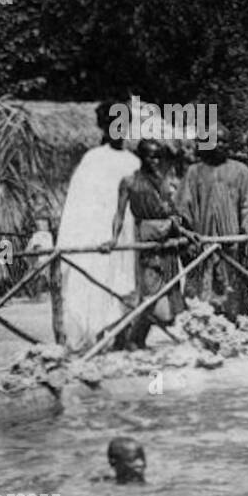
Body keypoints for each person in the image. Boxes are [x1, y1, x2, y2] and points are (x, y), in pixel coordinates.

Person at [57, 99, 140, 351]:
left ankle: (122, 337)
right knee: (95, 279)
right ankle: (93, 338)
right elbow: (79, 203)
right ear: (104, 127)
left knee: (124, 279)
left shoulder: (134, 161)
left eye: (123, 124)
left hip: (125, 231)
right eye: (113, 124)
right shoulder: (92, 159)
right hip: (96, 231)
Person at [176, 130, 248, 320]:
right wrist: (189, 234)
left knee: (232, 286)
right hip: (203, 240)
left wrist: (246, 224)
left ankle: (232, 324)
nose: (220, 144)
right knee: (202, 292)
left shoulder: (240, 170)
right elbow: (182, 208)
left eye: (225, 141)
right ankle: (202, 329)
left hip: (232, 240)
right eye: (215, 140)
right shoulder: (194, 172)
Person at [110, 140, 185, 349]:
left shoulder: (165, 181)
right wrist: (114, 239)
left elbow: (173, 211)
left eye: (158, 157)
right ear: (140, 157)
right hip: (146, 240)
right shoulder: (129, 181)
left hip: (168, 240)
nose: (155, 161)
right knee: (150, 294)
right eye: (151, 156)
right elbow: (119, 214)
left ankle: (138, 339)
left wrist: (180, 227)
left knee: (169, 294)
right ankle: (130, 337)